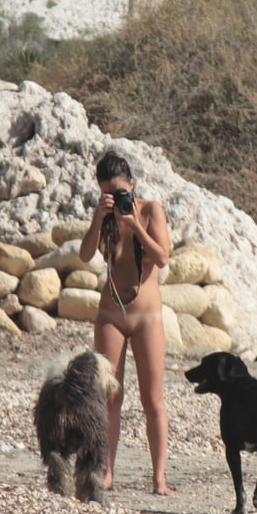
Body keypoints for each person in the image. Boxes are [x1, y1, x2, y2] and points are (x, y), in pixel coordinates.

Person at [79, 151, 174, 494]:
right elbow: (85, 255)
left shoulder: (150, 211)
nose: (116, 197)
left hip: (147, 318)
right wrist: (98, 217)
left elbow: (162, 257)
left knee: (153, 401)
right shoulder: (105, 218)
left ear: (132, 185)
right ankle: (106, 472)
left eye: (120, 191)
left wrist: (135, 226)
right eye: (108, 192)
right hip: (111, 316)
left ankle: (159, 478)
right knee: (110, 398)